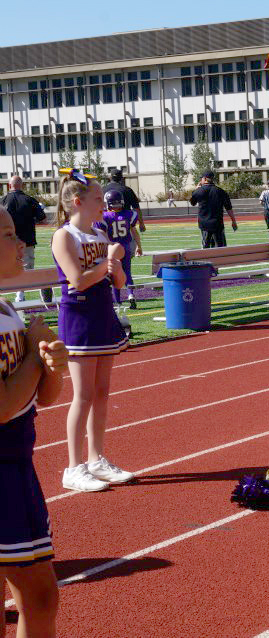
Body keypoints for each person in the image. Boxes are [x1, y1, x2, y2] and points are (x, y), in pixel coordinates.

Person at [0, 204, 67, 638]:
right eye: (8, 235)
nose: (20, 241)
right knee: (40, 597)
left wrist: (52, 365)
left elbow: (43, 396)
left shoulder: (7, 310)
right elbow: (3, 406)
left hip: (16, 467)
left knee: (38, 598)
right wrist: (32, 356)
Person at [51, 169, 132, 492]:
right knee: (82, 395)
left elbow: (119, 282)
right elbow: (77, 279)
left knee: (102, 394)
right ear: (77, 202)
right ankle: (74, 466)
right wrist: (106, 263)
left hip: (103, 315)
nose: (104, 204)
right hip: (79, 319)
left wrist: (117, 262)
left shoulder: (99, 234)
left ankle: (97, 459)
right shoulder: (64, 236)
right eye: (98, 199)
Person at [2, 175, 52, 304]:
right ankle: (34, 292)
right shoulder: (29, 200)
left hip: (6, 243)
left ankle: (19, 295)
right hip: (27, 241)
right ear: (22, 185)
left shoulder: (3, 201)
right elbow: (42, 218)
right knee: (27, 268)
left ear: (9, 185)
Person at [98, 190, 143, 309]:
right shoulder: (129, 214)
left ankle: (117, 301)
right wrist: (139, 246)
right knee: (127, 272)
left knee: (114, 274)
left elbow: (103, 234)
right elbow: (134, 231)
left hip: (113, 248)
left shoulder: (104, 216)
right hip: (126, 246)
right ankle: (131, 295)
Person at [190, 170, 238, 248]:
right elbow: (229, 208)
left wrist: (196, 190)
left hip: (204, 224)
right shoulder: (221, 191)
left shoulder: (199, 191)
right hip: (218, 223)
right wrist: (233, 221)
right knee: (220, 248)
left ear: (205, 179)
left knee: (205, 248)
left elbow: (192, 202)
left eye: (201, 178)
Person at [103, 168, 145, 234]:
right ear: (121, 178)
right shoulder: (127, 190)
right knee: (131, 241)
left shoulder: (103, 190)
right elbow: (136, 208)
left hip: (108, 224)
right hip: (125, 224)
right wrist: (141, 223)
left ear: (110, 177)